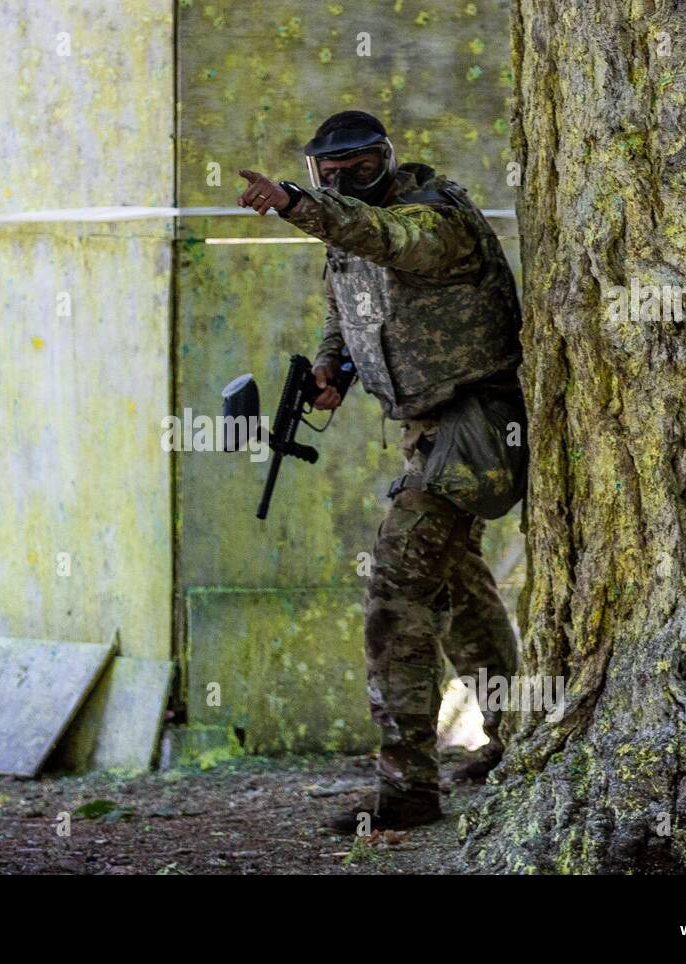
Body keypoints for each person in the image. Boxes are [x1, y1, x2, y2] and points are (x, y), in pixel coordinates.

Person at [237, 110, 525, 833]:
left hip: (480, 423)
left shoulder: (433, 217)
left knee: (396, 586)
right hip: (430, 431)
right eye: (324, 175)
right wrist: (333, 370)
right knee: (457, 589)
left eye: (356, 170)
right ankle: (519, 739)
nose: (340, 184)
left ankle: (408, 790)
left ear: (386, 162)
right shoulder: (346, 234)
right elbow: (348, 313)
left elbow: (388, 240)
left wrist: (298, 206)